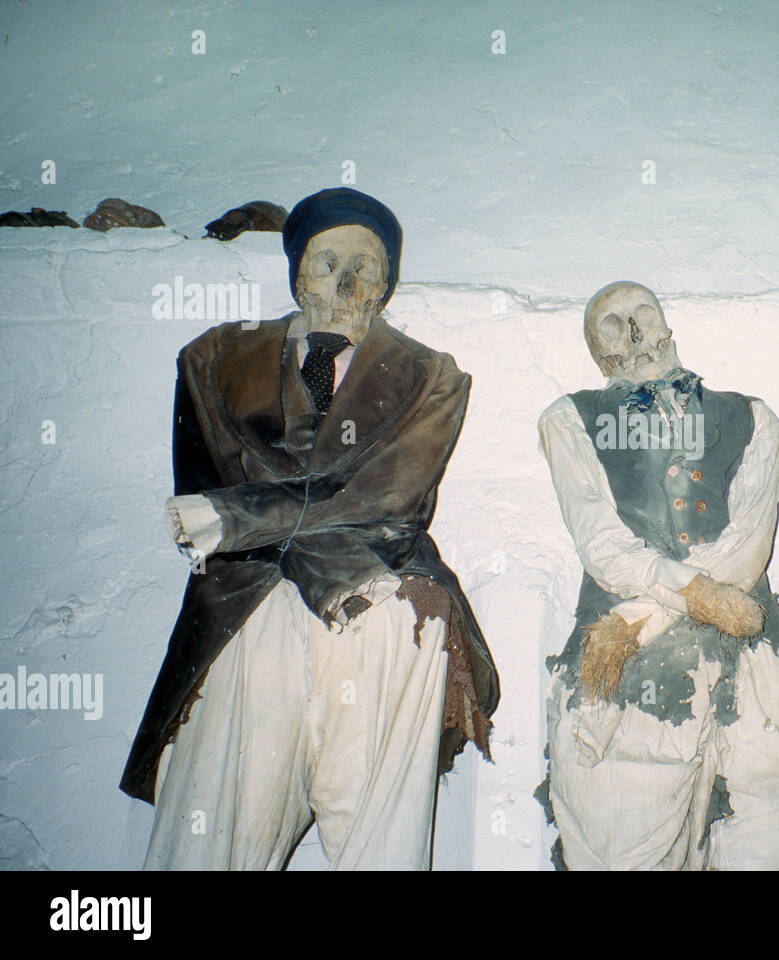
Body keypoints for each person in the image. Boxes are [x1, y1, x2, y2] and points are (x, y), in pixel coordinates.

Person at [120, 187, 498, 869]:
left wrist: (240, 517)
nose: (347, 281)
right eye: (327, 262)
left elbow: (390, 499)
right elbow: (202, 490)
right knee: (209, 833)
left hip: (381, 599)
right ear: (295, 270)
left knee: (382, 836)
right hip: (251, 609)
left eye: (367, 264)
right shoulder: (211, 361)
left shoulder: (431, 375)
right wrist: (237, 520)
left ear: (389, 281)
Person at [536, 281, 779, 870]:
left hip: (750, 662)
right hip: (619, 678)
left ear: (668, 325)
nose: (636, 332)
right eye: (613, 324)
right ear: (597, 349)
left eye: (644, 313)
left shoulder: (753, 417)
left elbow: (748, 546)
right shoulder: (568, 419)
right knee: (620, 842)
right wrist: (693, 593)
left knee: (766, 838)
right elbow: (600, 541)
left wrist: (641, 615)